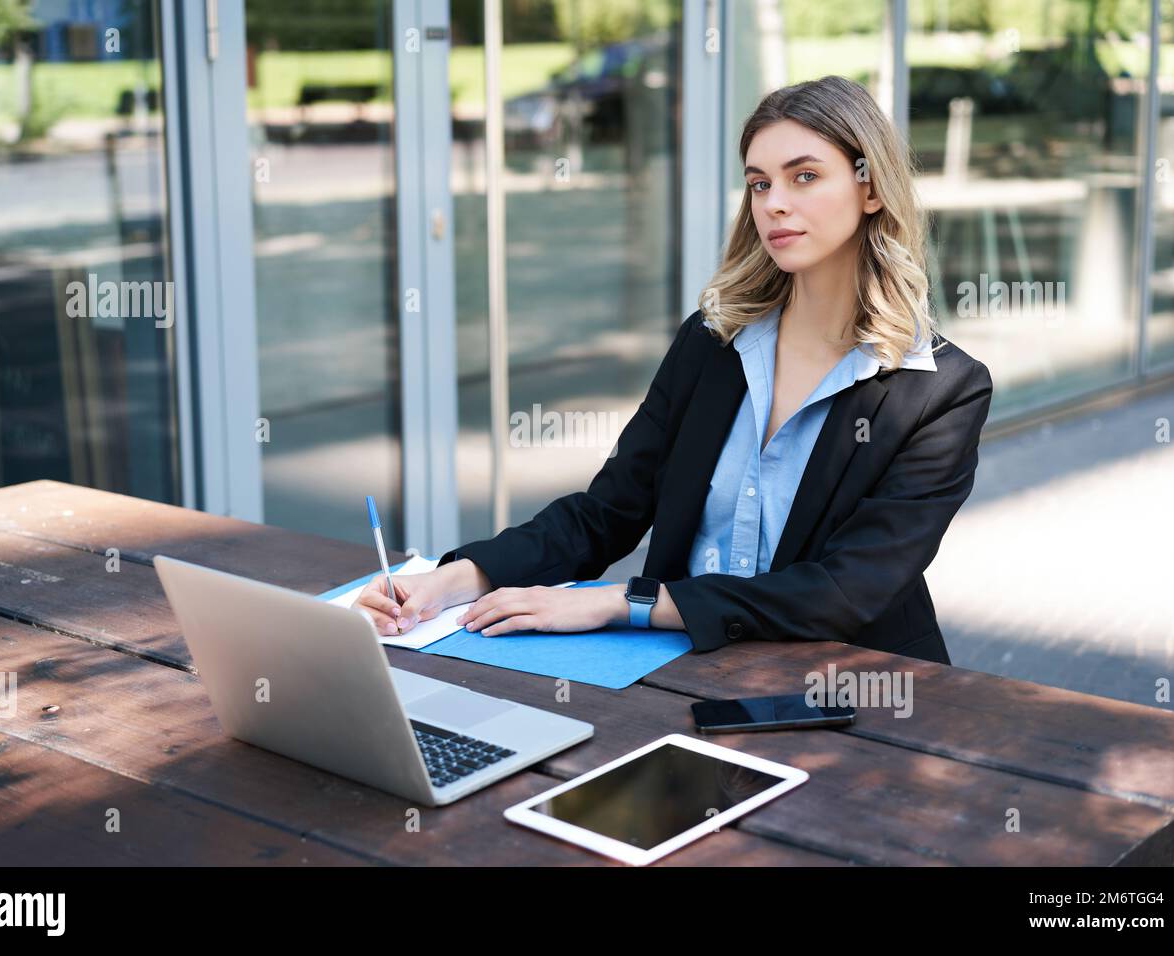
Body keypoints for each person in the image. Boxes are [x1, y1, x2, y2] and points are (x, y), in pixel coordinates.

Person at [353, 76, 992, 665]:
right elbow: (607, 511)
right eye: (760, 182)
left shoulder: (941, 390)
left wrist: (618, 602)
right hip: (686, 671)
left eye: (804, 177)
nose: (773, 204)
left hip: (853, 690)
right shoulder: (713, 344)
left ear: (872, 188)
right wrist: (452, 579)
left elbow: (846, 591)